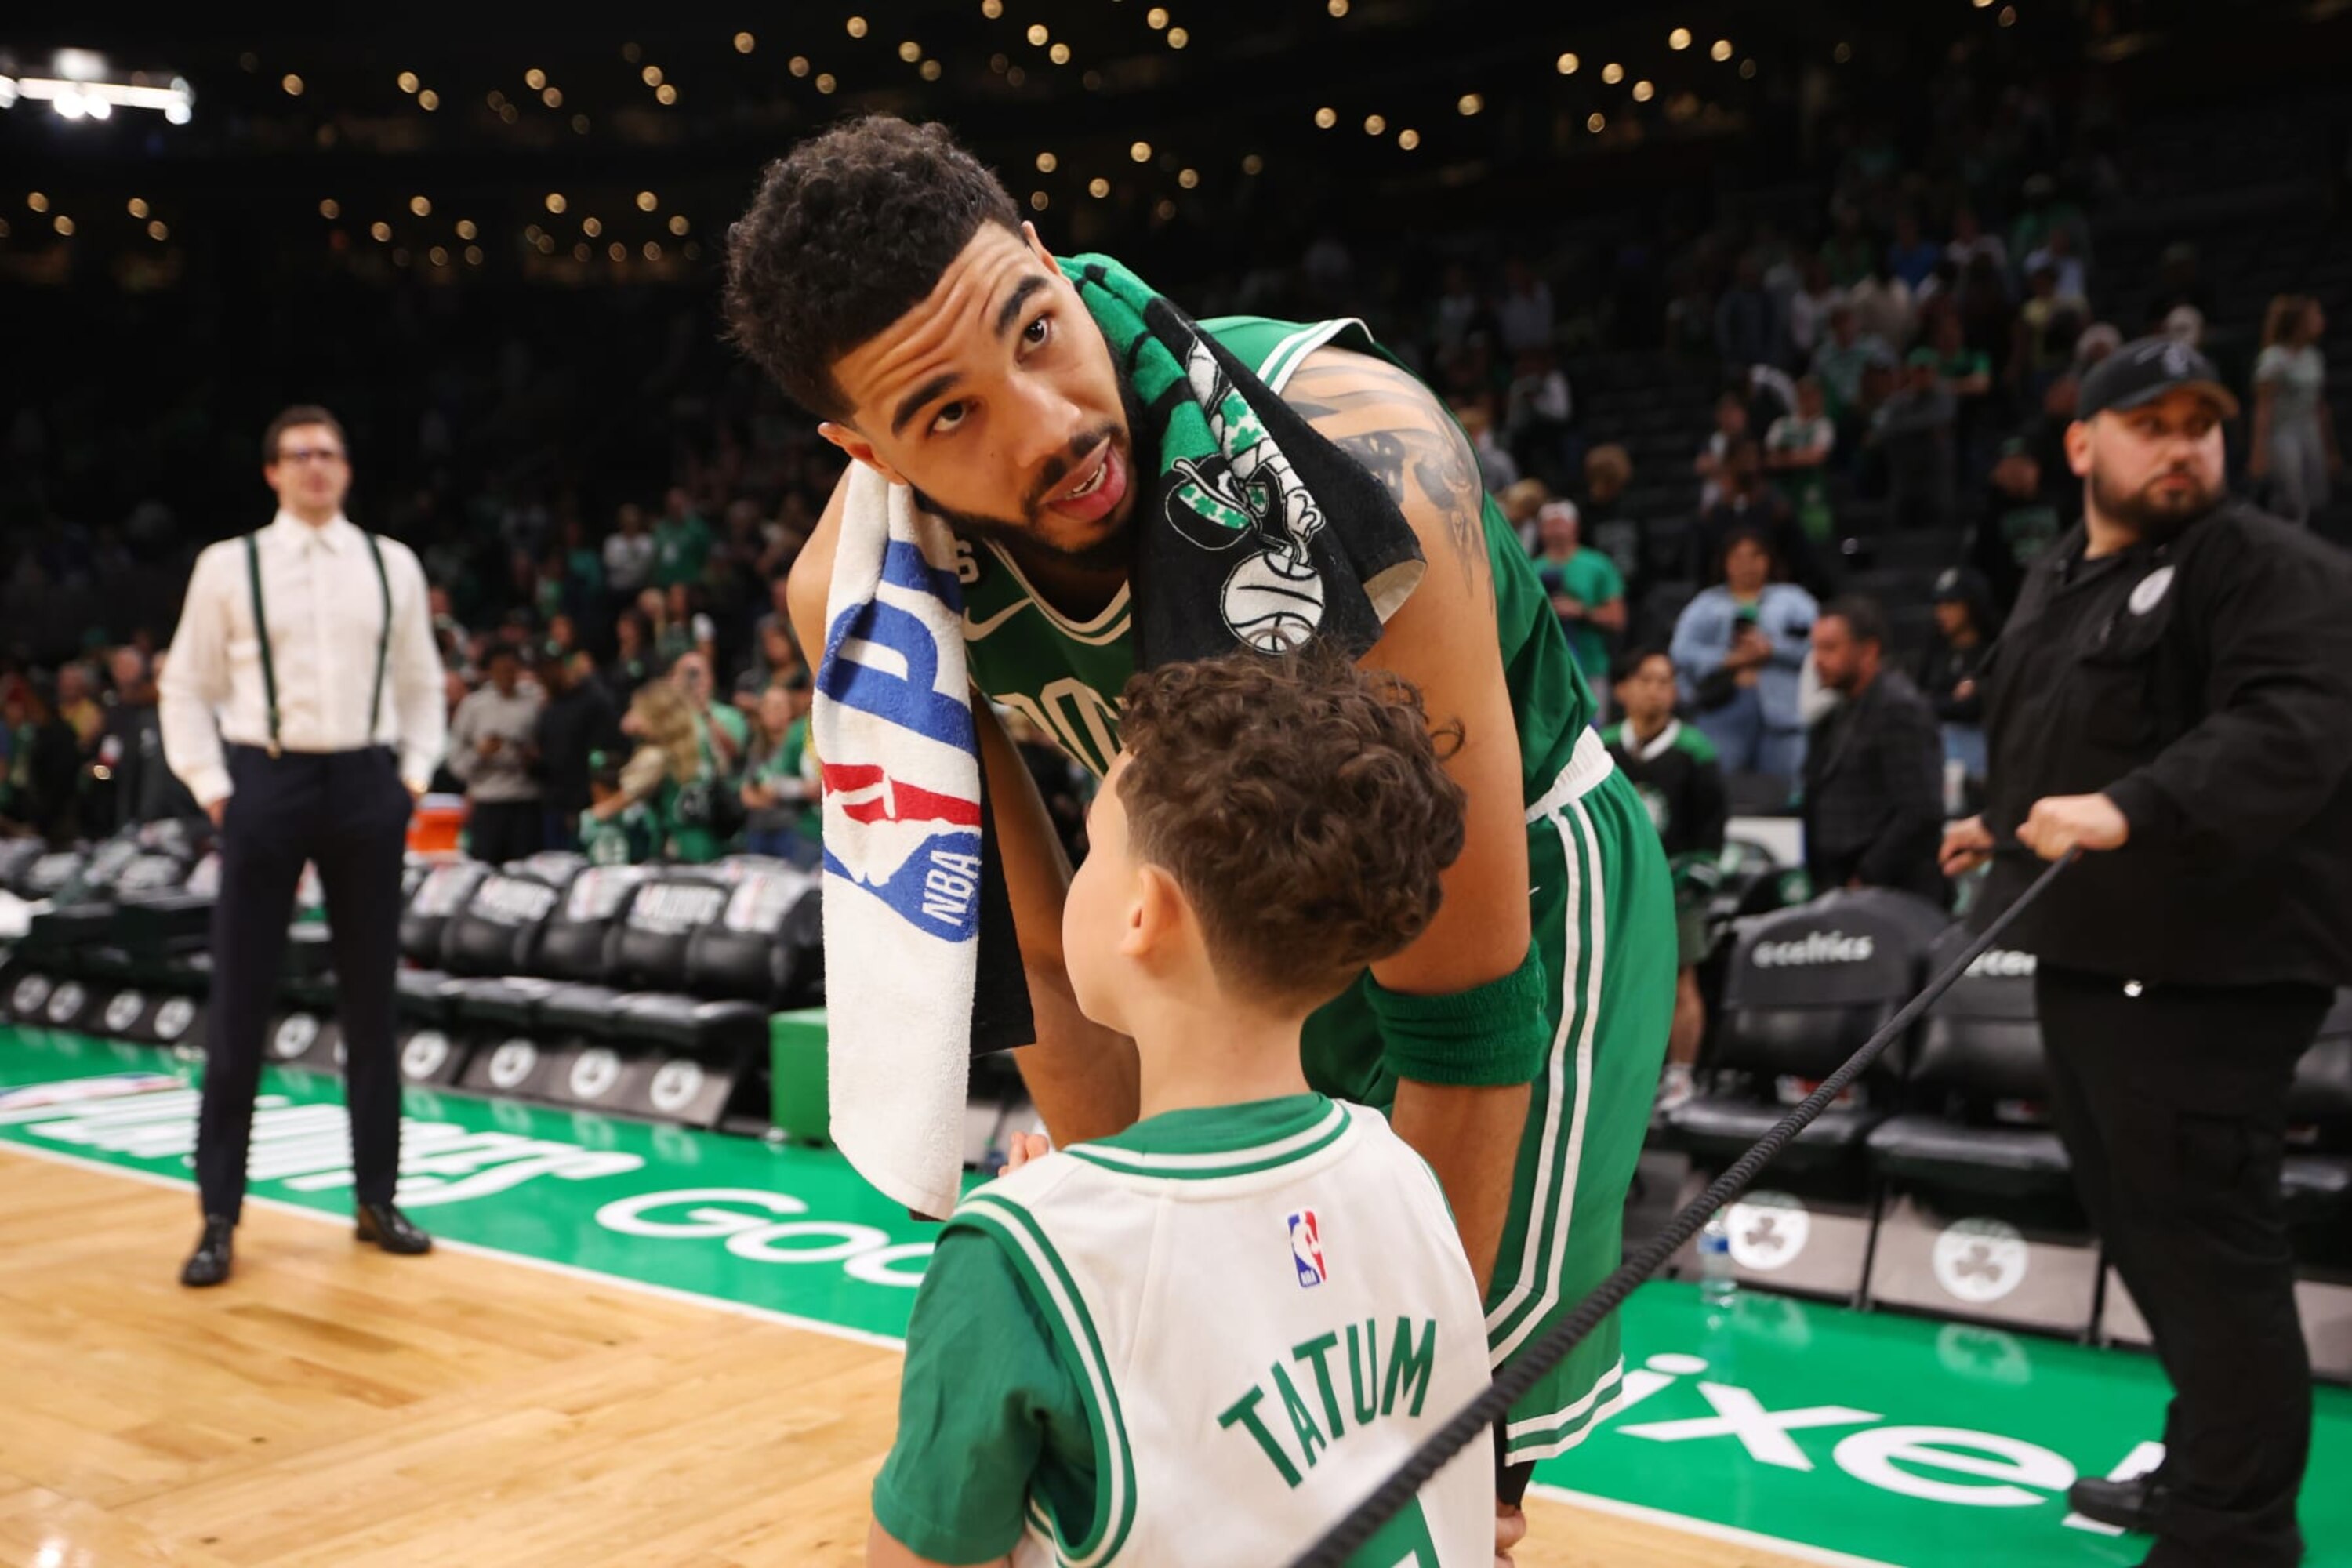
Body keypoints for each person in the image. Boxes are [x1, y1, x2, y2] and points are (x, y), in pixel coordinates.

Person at [730, 115, 1676, 1538]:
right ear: (860, 449)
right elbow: (1054, 958)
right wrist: (1155, 1231)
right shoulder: (864, 600)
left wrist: (1406, 1421)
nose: (1047, 424)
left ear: (1046, 257)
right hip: (1208, 895)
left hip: (1508, 893)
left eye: (1034, 330)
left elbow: (1469, 1006)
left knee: (1436, 1478)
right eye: (948, 416)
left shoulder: (1367, 458)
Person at [866, 649, 1494, 1568]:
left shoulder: (1014, 1252)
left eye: (1090, 846)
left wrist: (1035, 1247)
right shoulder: (1404, 1173)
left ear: (1141, 914)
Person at [1940, 337, 2352, 1568]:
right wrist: (2004, 828)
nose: (2181, 445)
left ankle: (2235, 1531)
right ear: (2083, 445)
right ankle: (2203, 1463)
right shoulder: (2061, 576)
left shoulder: (2264, 566)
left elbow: (2298, 725)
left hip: (2213, 973)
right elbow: (2062, 741)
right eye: (2150, 422)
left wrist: (2134, 807)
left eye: (2200, 425)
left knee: (2210, 1246)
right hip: (2087, 958)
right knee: (2150, 1234)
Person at [158, 405, 445, 1287]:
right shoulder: (228, 565)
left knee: (372, 1004)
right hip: (266, 781)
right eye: (299, 454)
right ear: (272, 471)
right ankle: (218, 1213)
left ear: (347, 468)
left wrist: (413, 778)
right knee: (240, 1000)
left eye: (329, 453)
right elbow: (185, 686)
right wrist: (214, 786)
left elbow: (422, 682)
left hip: (366, 785)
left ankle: (376, 1195)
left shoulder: (388, 561)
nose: (316, 466)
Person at [1603, 648, 1728, 1112]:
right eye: (1647, 678)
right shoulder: (1603, 746)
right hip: (1618, 883)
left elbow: (1711, 829)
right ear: (1622, 689)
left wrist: (1695, 874)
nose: (1657, 689)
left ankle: (1679, 1076)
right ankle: (1618, 1068)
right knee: (1612, 979)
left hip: (1676, 885)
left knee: (1681, 981)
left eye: (1666, 681)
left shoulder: (1696, 754)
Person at [1802, 598, 1945, 902]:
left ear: (1868, 651)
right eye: (1815, 648)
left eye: (1830, 648)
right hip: (1844, 887)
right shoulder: (1835, 714)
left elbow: (1921, 812)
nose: (1817, 660)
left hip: (1894, 893)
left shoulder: (1899, 708)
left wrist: (1867, 875)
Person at [1670, 529, 1817, 777]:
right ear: (1725, 562)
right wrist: (1729, 659)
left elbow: (1819, 647)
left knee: (1793, 793)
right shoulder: (1705, 604)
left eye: (1755, 556)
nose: (1747, 565)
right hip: (1721, 710)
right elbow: (1681, 652)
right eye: (1738, 557)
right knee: (1719, 787)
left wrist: (1773, 649)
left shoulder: (1793, 601)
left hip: (1785, 713)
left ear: (1768, 560)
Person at [591, 680, 724, 864]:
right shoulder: (701, 740)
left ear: (656, 716)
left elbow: (623, 797)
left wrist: (594, 815)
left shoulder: (657, 756)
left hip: (678, 849)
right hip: (711, 843)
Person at [445, 643, 545, 866]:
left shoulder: (535, 701)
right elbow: (456, 763)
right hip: (488, 802)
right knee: (484, 870)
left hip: (525, 801)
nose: (506, 676)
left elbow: (551, 749)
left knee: (525, 872)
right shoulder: (474, 706)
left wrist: (532, 755)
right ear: (489, 672)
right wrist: (480, 753)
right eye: (500, 670)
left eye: (511, 670)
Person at [2249, 295, 2339, 524]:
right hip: (2283, 433)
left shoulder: (2313, 356)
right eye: (2315, 316)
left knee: (2317, 495)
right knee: (2291, 496)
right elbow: (2263, 406)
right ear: (2299, 322)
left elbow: (2320, 405)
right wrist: (2259, 451)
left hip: (2310, 429)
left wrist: (2330, 448)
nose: (2321, 320)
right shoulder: (2273, 359)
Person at [1528, 500, 1626, 697]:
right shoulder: (1530, 569)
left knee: (1594, 727)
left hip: (1590, 667)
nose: (1556, 529)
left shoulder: (1597, 564)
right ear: (1540, 529)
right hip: (1545, 671)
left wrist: (1582, 612)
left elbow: (1617, 618)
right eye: (1550, 524)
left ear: (1575, 526)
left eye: (1561, 523)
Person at [532, 644, 622, 854]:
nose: (546, 675)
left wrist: (580, 805)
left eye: (551, 667)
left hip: (587, 807)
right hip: (554, 805)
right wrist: (532, 762)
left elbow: (605, 756)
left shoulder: (595, 701)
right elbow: (550, 760)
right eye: (542, 670)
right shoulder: (550, 710)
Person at [98, 646, 199, 830]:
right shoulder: (137, 719)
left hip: (193, 821)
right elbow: (120, 772)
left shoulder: (204, 720)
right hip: (148, 823)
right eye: (158, 674)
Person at [1918, 568, 1999, 795]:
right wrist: (1950, 702)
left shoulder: (1992, 652)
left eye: (1951, 604)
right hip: (1940, 760)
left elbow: (1976, 707)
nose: (1942, 612)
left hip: (1982, 764)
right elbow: (1919, 702)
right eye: (1939, 605)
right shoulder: (1935, 654)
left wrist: (1971, 697)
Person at [741, 681, 819, 866]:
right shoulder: (757, 748)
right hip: (759, 829)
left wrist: (773, 792)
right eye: (768, 706)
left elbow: (811, 789)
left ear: (789, 710)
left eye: (779, 706)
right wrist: (792, 790)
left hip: (793, 830)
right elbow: (748, 795)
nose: (773, 712)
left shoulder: (802, 741)